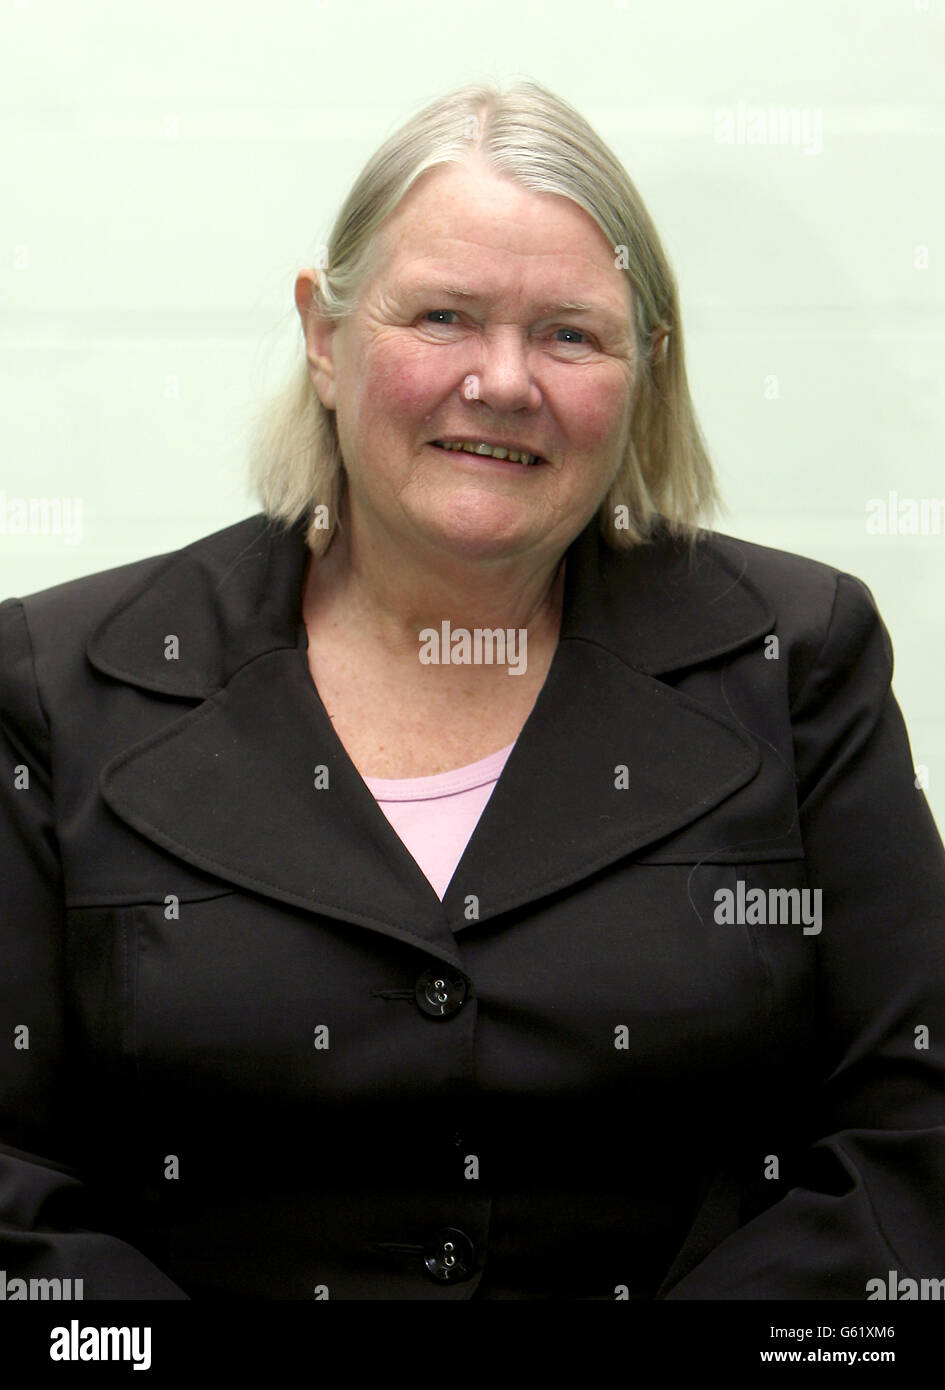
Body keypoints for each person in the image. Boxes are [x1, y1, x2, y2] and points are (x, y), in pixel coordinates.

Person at [1, 78, 944, 1301]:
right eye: (442, 315)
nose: (503, 381)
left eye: (570, 333)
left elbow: (912, 1134)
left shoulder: (798, 662)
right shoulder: (59, 688)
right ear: (326, 337)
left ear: (645, 369)